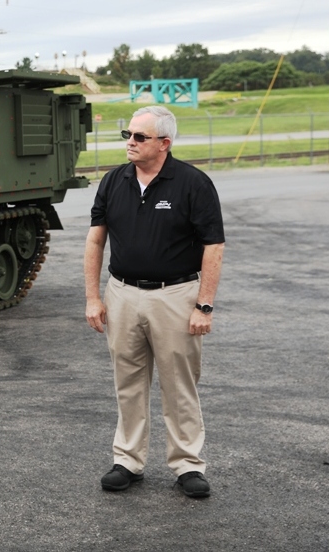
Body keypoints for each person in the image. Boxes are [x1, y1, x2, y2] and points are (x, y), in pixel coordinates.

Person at [83, 105, 225, 499]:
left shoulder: (193, 184)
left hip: (175, 295)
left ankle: (187, 465)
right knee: (127, 381)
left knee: (180, 384)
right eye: (127, 134)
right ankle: (127, 460)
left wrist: (204, 304)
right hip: (122, 293)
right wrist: (94, 296)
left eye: (139, 137)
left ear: (164, 143)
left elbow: (214, 246)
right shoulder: (114, 181)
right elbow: (96, 239)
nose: (130, 142)